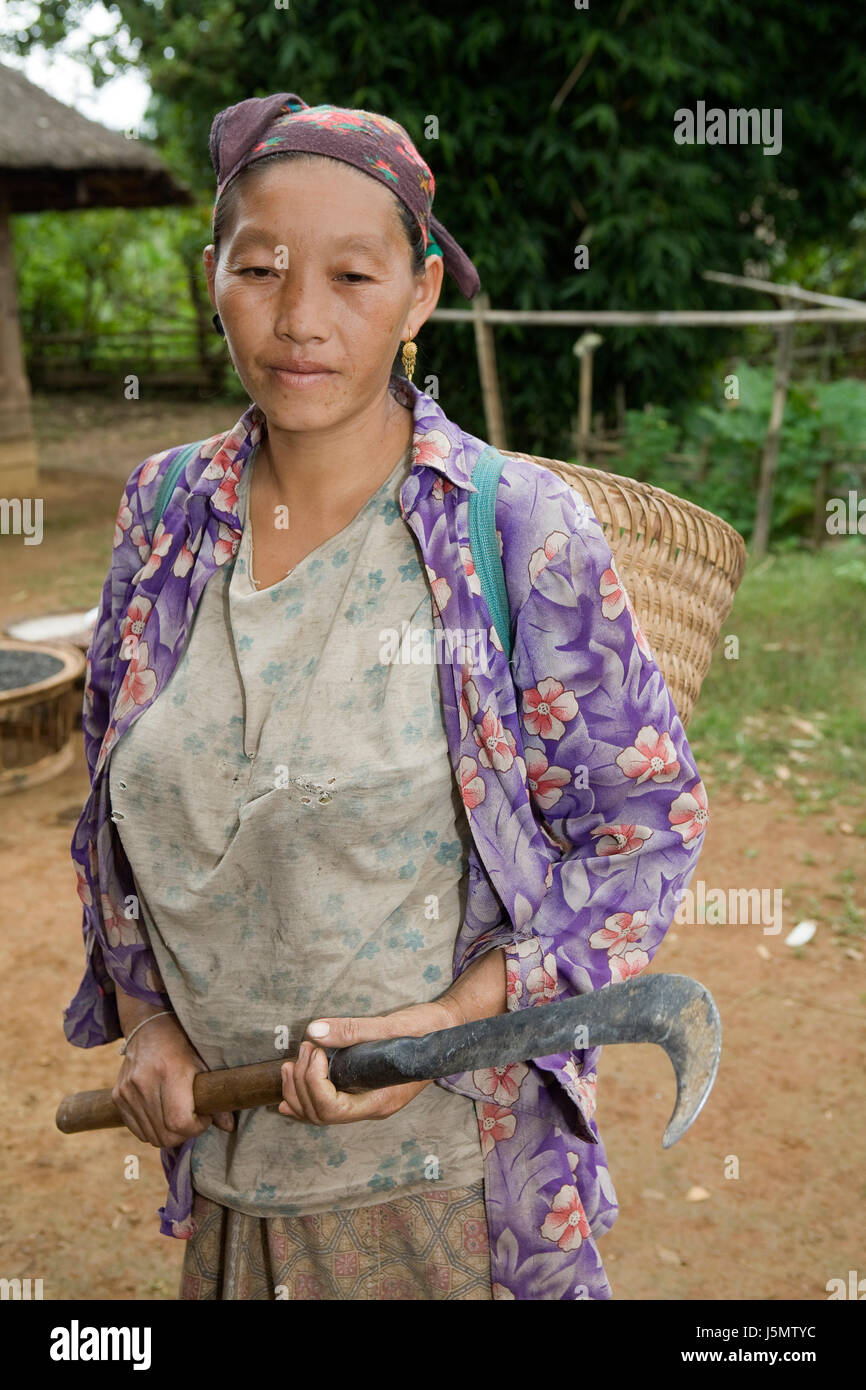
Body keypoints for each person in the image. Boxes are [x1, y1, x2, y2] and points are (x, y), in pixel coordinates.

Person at [66, 92, 710, 1301]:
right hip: (232, 1177)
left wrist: (455, 1021)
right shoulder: (163, 515)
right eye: (258, 268)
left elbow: (642, 834)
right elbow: (112, 806)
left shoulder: (514, 532)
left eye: (353, 278)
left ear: (419, 295)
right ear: (211, 274)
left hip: (450, 1190)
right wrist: (147, 1018)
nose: (299, 319)